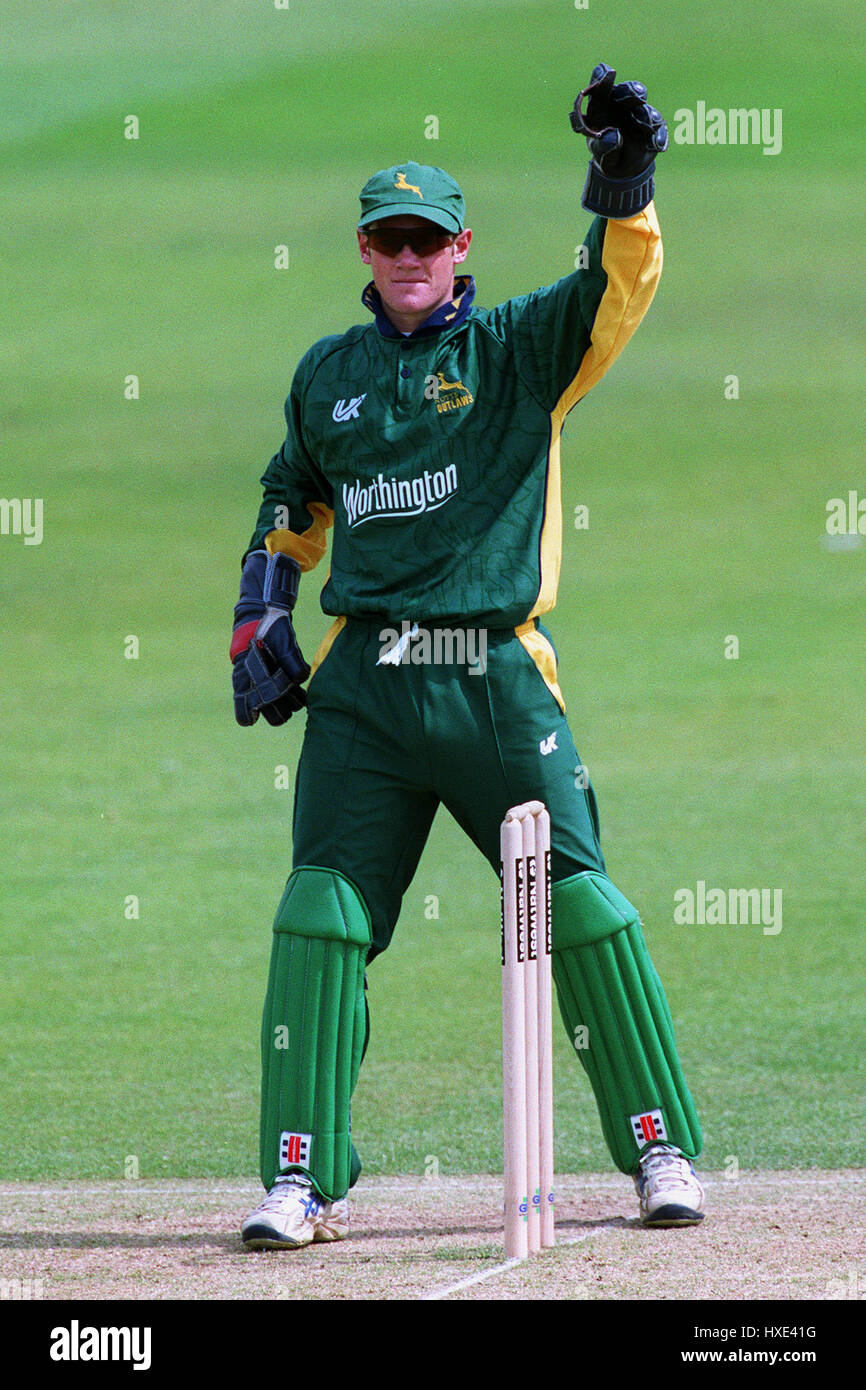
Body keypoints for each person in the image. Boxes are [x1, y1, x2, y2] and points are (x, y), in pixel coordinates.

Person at [230, 64, 705, 1250]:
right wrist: (259, 616)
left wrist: (623, 180)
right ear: (365, 246)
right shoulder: (327, 377)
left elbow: (614, 287)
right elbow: (290, 500)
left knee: (575, 908)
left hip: (492, 680)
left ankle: (657, 1147)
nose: (407, 257)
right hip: (367, 693)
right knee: (321, 914)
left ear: (459, 247)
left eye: (426, 240)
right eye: (389, 238)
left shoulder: (516, 349)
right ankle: (299, 1175)